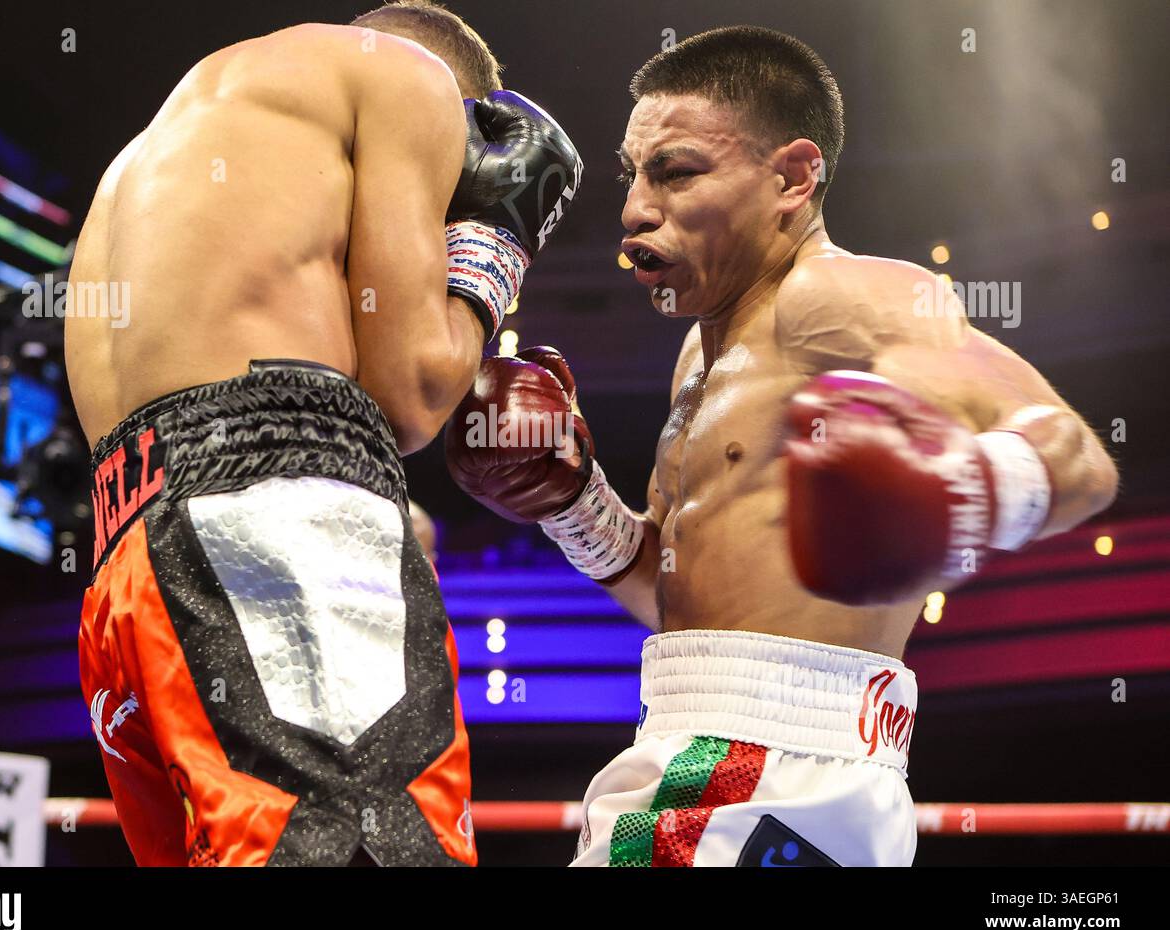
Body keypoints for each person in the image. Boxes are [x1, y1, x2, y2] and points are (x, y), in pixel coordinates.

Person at [445, 25, 1117, 867]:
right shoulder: (701, 352)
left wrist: (964, 491)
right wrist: (574, 505)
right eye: (632, 176)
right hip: (723, 745)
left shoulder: (837, 295)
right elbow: (674, 602)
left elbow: (1079, 457)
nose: (633, 210)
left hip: (757, 768)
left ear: (794, 178)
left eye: (675, 170)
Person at [68, 1, 581, 866]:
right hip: (273, 524)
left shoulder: (149, 154)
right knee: (373, 849)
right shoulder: (410, 79)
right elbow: (414, 391)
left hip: (127, 563)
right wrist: (497, 242)